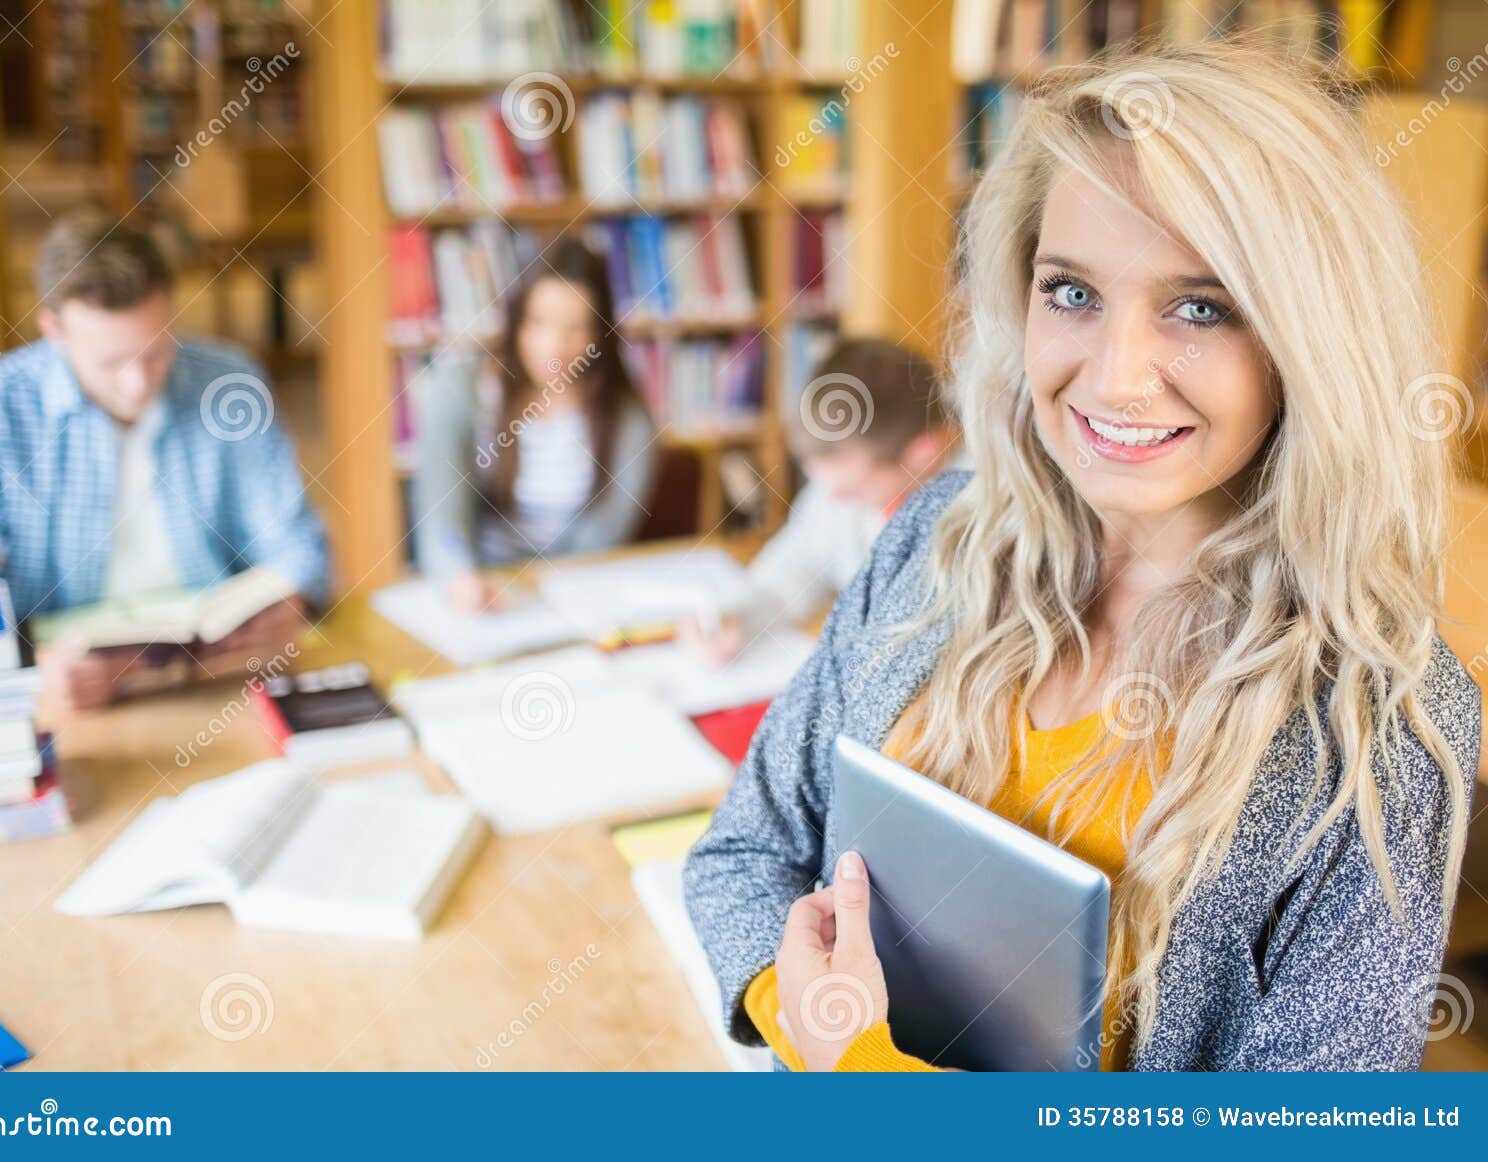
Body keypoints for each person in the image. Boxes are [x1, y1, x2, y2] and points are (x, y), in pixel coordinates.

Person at [683, 40, 1479, 1072]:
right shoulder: (939, 536)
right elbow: (743, 851)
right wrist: (799, 1013)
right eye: (1071, 292)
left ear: (1310, 339)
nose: (1115, 377)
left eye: (1200, 307)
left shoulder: (1377, 728)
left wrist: (868, 1078)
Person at [0, 211, 330, 711]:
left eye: (155, 353)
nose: (138, 384)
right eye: (111, 363)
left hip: (225, 680)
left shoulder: (228, 381)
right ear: (53, 330)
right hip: (74, 698)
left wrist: (292, 601)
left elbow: (297, 543)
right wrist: (34, 666)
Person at [413, 237, 657, 611]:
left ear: (600, 335)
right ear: (516, 320)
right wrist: (460, 576)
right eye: (539, 322)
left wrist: (544, 595)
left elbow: (603, 538)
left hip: (574, 594)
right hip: (477, 591)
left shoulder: (630, 422)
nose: (554, 346)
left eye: (575, 328)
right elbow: (441, 516)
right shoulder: (462, 392)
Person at [682, 338, 958, 660]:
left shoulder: (984, 503)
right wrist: (740, 617)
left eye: (849, 491)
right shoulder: (841, 480)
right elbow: (796, 565)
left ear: (924, 453)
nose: (832, 500)